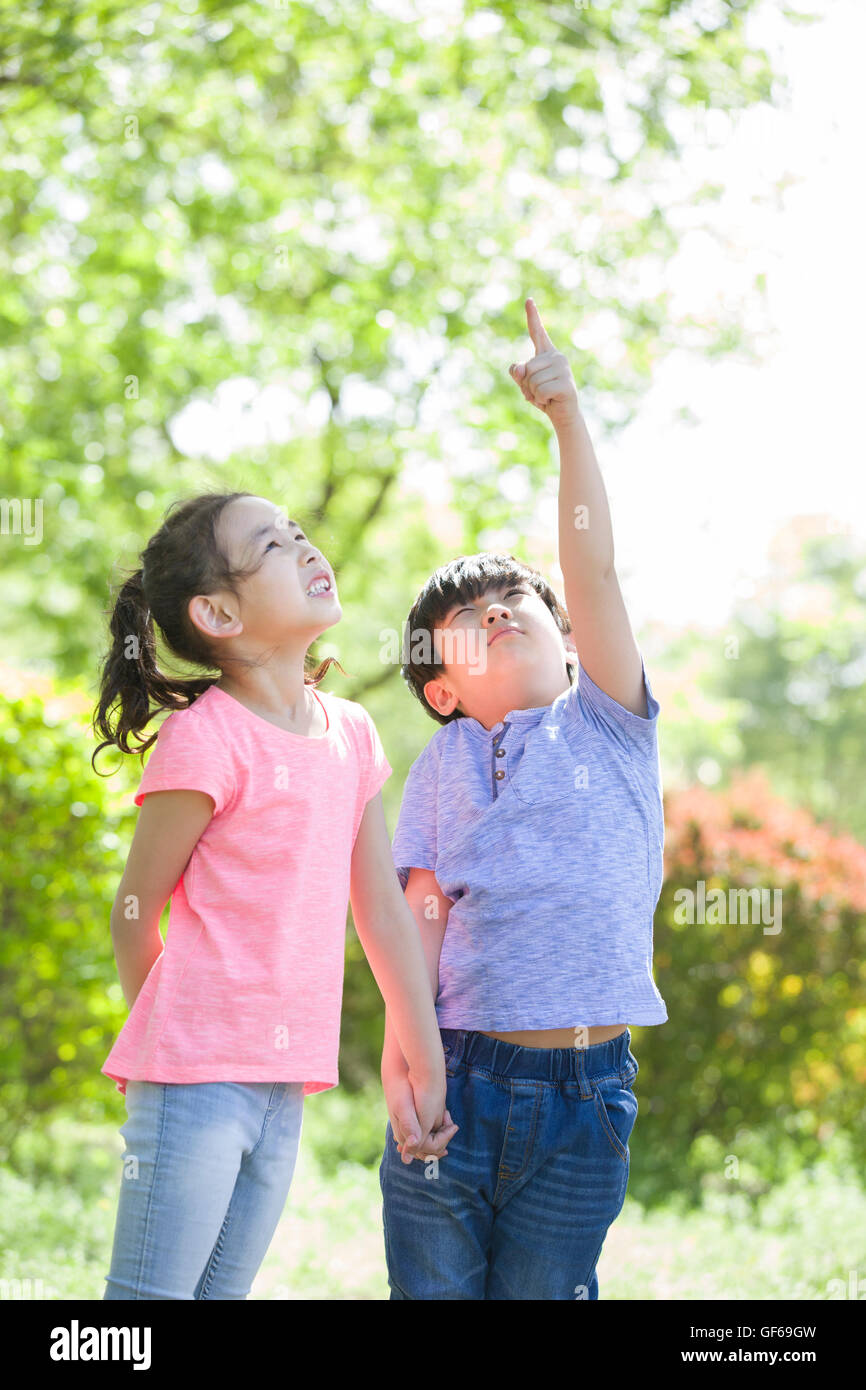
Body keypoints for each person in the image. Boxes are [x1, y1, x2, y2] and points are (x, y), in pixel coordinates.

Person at [93, 490, 456, 1299]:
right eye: (274, 546)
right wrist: (161, 1044)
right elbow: (133, 910)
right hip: (193, 1072)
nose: (306, 550)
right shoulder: (206, 736)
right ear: (218, 613)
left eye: (300, 535)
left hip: (285, 1076)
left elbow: (383, 911)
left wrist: (424, 1052)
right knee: (147, 1304)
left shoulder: (351, 732)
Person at [378, 298, 668, 1300]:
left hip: (582, 1092)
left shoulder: (607, 721)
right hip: (454, 1070)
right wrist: (403, 1064)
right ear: (439, 688)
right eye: (465, 614)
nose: (497, 608)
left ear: (570, 638)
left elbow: (589, 564)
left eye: (517, 600)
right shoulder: (439, 768)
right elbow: (417, 918)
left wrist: (565, 419)